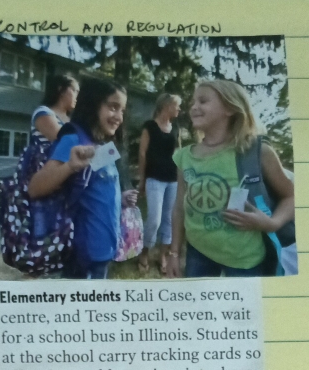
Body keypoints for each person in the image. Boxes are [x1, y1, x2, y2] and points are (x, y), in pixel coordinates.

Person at [167, 79, 294, 279]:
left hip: (245, 259)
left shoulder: (256, 152)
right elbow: (179, 208)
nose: (194, 107)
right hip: (198, 252)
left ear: (229, 108)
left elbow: (291, 196)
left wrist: (272, 223)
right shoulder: (184, 156)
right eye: (193, 102)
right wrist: (174, 253)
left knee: (242, 310)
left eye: (203, 101)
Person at [28, 77, 137, 279]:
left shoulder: (102, 144)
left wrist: (121, 199)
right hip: (83, 259)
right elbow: (35, 187)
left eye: (122, 110)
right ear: (93, 104)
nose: (119, 117)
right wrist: (69, 166)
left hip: (104, 254)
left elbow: (94, 187)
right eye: (113, 107)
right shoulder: (74, 139)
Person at [138, 93, 181, 275]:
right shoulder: (149, 126)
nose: (179, 109)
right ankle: (144, 253)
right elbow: (142, 153)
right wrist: (141, 180)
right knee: (154, 220)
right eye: (176, 105)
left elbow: (180, 154)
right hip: (154, 178)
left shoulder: (176, 128)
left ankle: (163, 255)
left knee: (169, 220)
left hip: (173, 180)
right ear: (166, 106)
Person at [31, 75, 80, 143]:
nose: (77, 96)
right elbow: (61, 138)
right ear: (61, 90)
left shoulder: (72, 120)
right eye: (74, 91)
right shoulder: (43, 112)